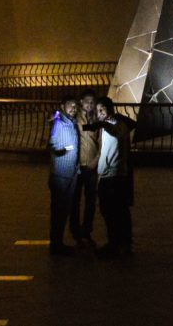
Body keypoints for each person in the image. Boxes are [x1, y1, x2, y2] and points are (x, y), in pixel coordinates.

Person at [91, 96, 134, 257]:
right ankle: (120, 243)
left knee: (113, 211)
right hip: (109, 174)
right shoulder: (111, 125)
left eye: (102, 110)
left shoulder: (116, 125)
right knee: (114, 211)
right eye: (98, 111)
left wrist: (101, 123)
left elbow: (115, 132)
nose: (100, 113)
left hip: (113, 176)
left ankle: (117, 244)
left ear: (110, 109)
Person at [46, 96, 82, 254]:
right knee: (59, 210)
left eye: (75, 106)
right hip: (60, 174)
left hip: (71, 173)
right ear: (62, 106)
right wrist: (59, 151)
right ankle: (56, 244)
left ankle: (58, 242)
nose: (73, 108)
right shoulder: (59, 122)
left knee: (64, 209)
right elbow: (51, 142)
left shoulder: (72, 122)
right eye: (70, 105)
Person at [72, 89, 101, 249]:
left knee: (90, 201)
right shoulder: (75, 117)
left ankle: (86, 231)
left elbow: (101, 141)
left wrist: (96, 160)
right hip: (77, 165)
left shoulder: (97, 117)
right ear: (81, 102)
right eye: (87, 102)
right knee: (75, 201)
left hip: (91, 165)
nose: (90, 105)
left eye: (92, 102)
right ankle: (76, 231)